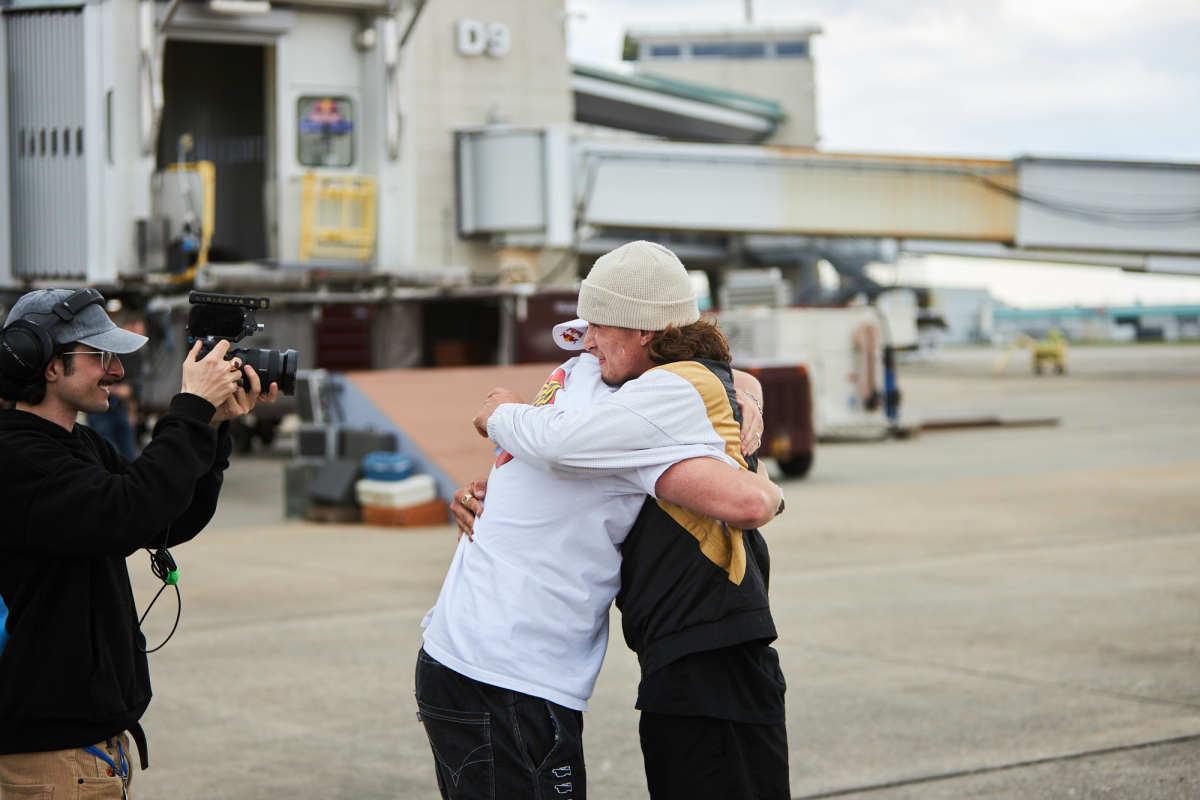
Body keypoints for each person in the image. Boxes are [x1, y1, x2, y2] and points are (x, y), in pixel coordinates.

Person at [416, 244, 783, 800]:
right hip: (509, 668)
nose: (586, 342)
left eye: (600, 327)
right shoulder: (607, 384)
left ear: (644, 331)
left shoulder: (639, 399)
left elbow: (567, 441)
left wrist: (498, 412)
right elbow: (751, 497)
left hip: (503, 663)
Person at [0, 288, 277, 799]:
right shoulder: (15, 458)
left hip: (87, 750)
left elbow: (165, 519)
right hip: (50, 759)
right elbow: (128, 510)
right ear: (45, 363)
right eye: (99, 356)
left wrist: (212, 427)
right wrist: (191, 409)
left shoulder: (79, 445)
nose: (117, 371)